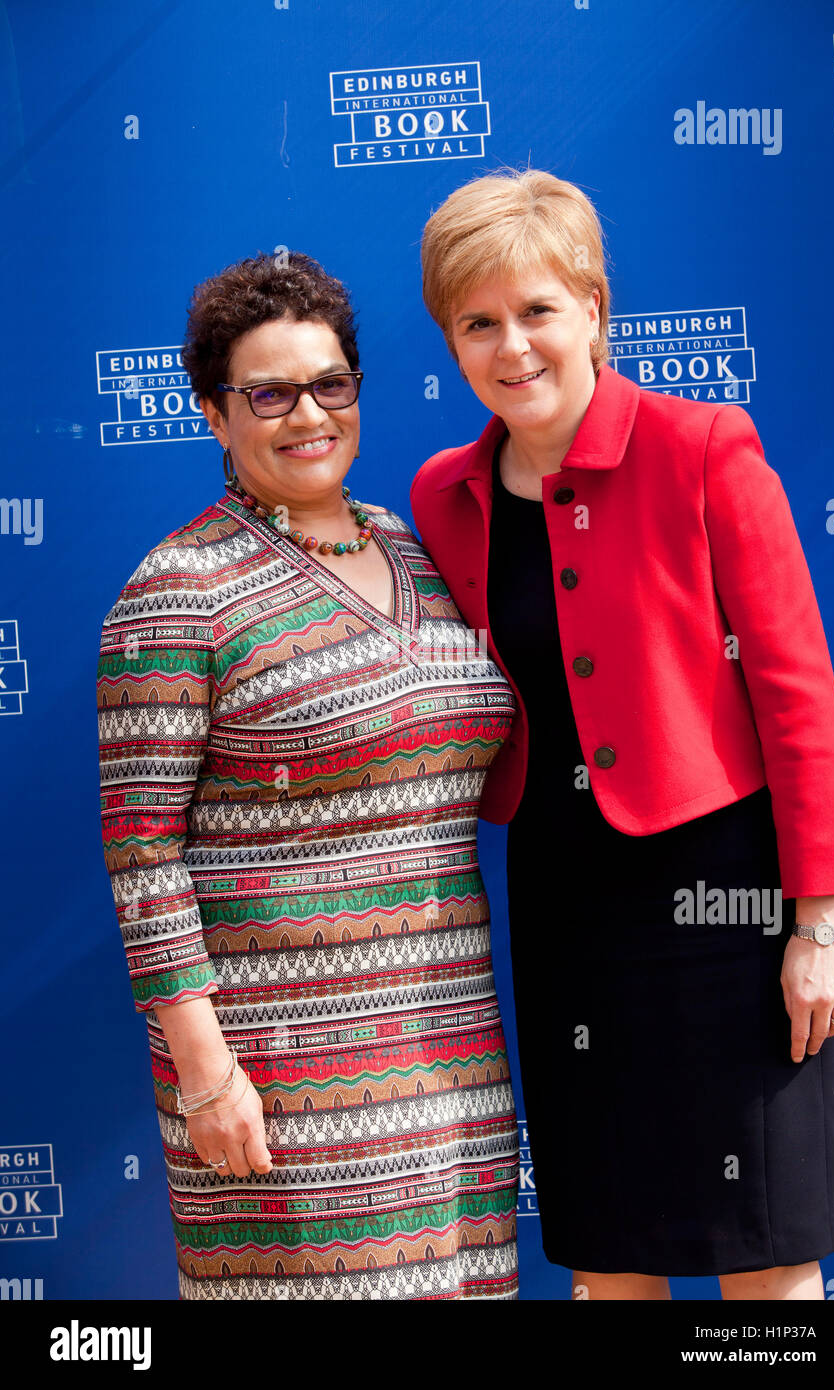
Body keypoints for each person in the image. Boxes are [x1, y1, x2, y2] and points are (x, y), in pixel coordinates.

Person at [410, 169, 834, 1301]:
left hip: (729, 899)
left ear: (594, 309)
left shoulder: (702, 446)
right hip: (566, 902)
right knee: (606, 1249)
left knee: (762, 1247)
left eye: (536, 310)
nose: (510, 345)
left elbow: (796, 692)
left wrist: (819, 921)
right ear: (450, 341)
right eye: (477, 323)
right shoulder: (443, 494)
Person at [97, 250, 519, 1300]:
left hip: (447, 1051)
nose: (306, 416)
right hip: (277, 1079)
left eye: (329, 384)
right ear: (213, 413)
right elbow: (142, 853)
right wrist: (206, 1077)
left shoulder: (414, 549)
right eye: (268, 394)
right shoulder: (178, 589)